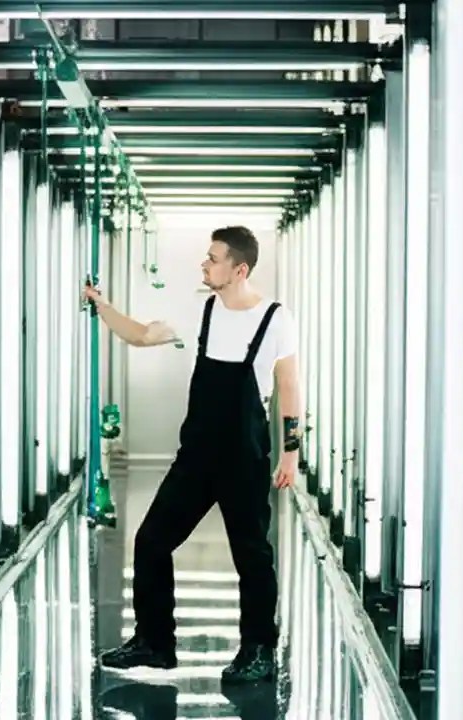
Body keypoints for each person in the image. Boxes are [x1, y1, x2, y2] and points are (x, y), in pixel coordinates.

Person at [83, 225, 303, 684]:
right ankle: (155, 643)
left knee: (252, 556)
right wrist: (102, 308)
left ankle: (258, 650)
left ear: (239, 269)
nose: (205, 264)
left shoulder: (275, 318)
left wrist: (290, 455)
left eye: (213, 258)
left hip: (245, 459)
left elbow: (289, 389)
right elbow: (142, 335)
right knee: (151, 541)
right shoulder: (201, 310)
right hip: (197, 457)